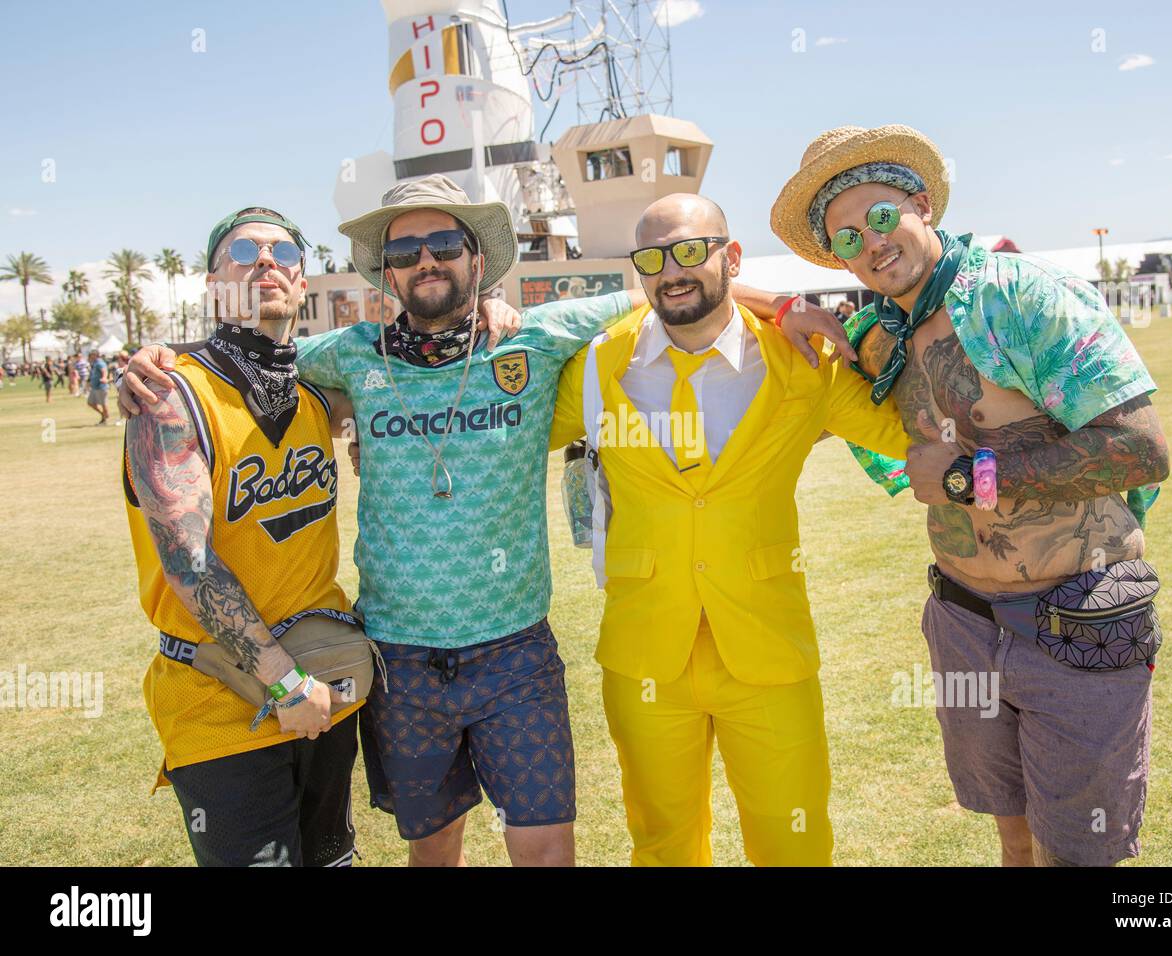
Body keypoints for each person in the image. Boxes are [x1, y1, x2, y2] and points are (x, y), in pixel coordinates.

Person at [122, 175, 822, 867]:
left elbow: (669, 290)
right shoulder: (347, 355)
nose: (426, 260)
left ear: (476, 260)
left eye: (443, 243)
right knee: (433, 852)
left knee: (546, 852)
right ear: (387, 275)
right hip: (398, 660)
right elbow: (244, 359)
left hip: (516, 653)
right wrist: (156, 359)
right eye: (405, 252)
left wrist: (785, 302)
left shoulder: (540, 337)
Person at [771, 124, 1170, 867]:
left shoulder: (1018, 295)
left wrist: (966, 478)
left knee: (1078, 852)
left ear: (922, 203)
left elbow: (1142, 448)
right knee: (1011, 833)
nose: (871, 245)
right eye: (848, 239)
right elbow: (711, 310)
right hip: (961, 620)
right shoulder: (877, 342)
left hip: (1077, 616)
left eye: (882, 218)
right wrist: (785, 305)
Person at [548, 194, 908, 866]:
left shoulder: (801, 359)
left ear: (731, 257)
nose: (671, 271)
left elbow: (903, 433)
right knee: (662, 846)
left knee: (795, 844)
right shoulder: (600, 365)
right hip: (645, 656)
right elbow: (506, 427)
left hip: (767, 650)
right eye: (652, 259)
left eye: (689, 250)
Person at [123, 206, 365, 866]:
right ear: (211, 282)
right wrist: (285, 683)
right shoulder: (170, 396)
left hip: (326, 686)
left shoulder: (319, 398)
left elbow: (419, 358)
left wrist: (491, 314)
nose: (267, 262)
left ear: (303, 280)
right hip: (221, 701)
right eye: (244, 251)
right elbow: (189, 562)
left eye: (284, 253)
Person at [84, 350, 109, 425]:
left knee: (103, 404)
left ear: (95, 355)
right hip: (95, 387)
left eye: (91, 355)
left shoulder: (99, 362)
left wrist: (104, 378)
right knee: (90, 403)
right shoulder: (94, 363)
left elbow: (104, 371)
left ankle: (104, 420)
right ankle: (103, 415)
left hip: (101, 386)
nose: (90, 357)